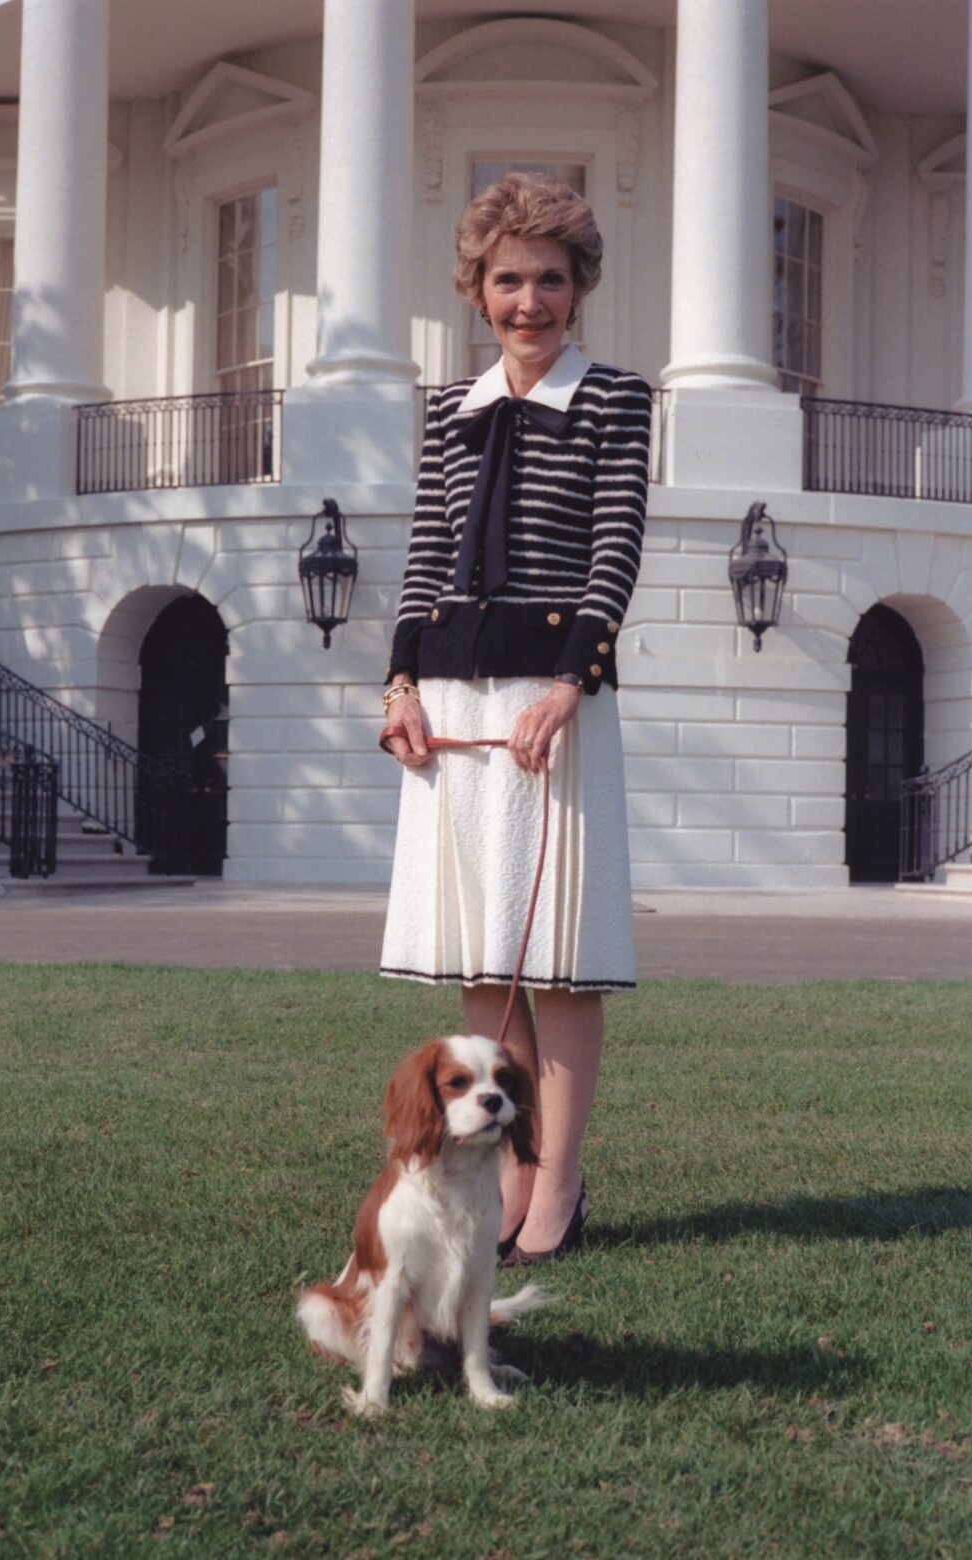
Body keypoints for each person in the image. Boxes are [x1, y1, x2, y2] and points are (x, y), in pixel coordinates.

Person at [378, 173, 651, 1265]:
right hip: (450, 696)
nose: (527, 300)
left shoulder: (615, 398)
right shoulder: (447, 409)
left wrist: (567, 684)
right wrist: (398, 687)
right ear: (476, 290)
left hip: (549, 696)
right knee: (484, 953)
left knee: (560, 958)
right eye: (507, 279)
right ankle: (511, 1171)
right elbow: (421, 556)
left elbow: (611, 549)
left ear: (576, 288)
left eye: (547, 278)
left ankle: (561, 1184)